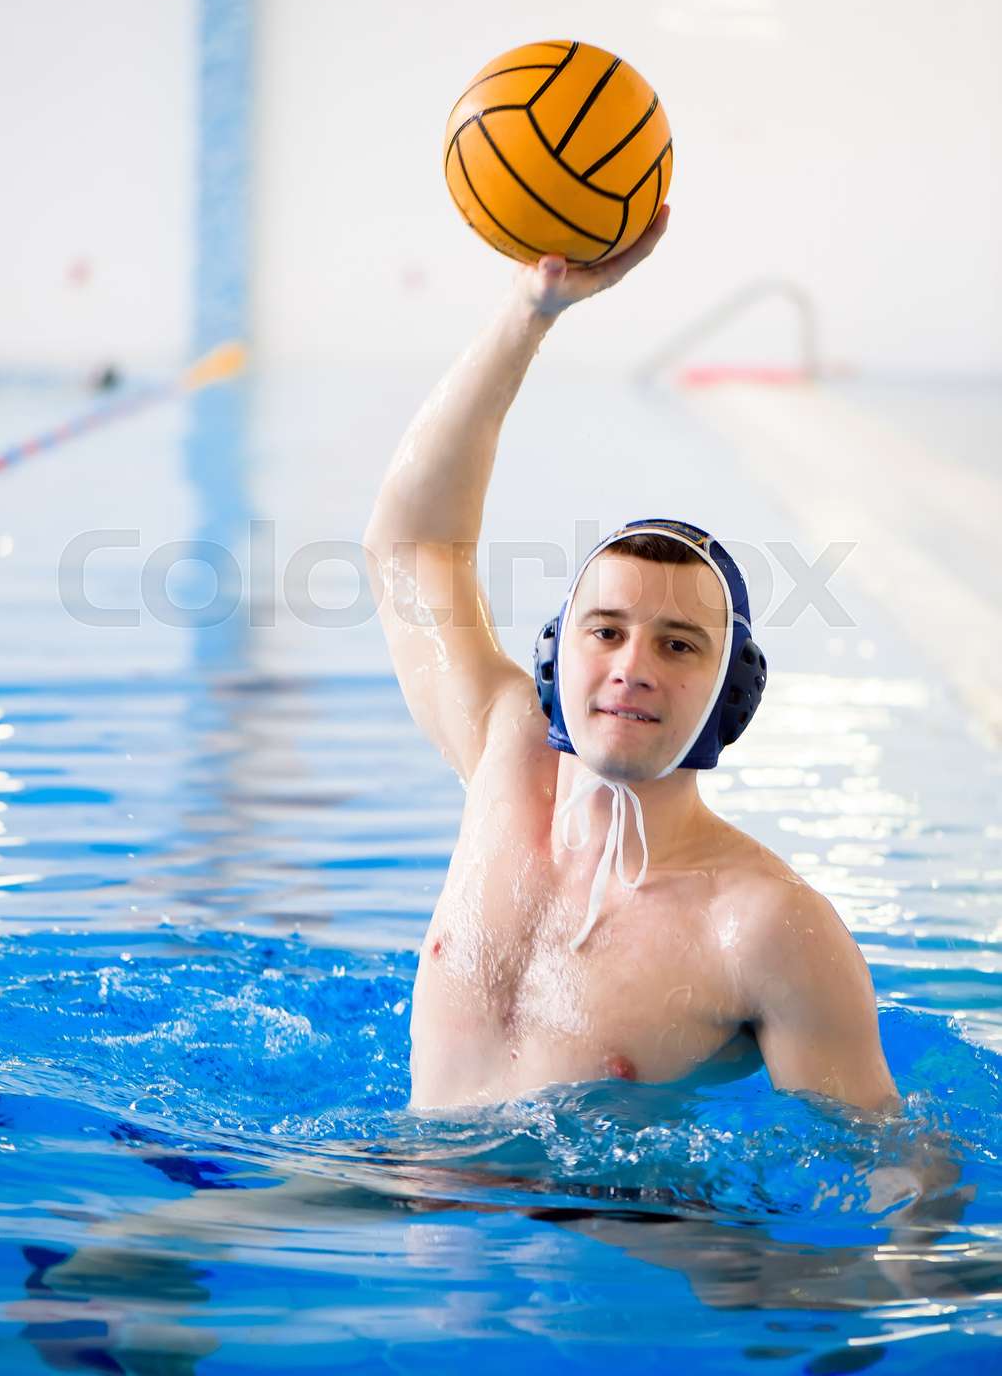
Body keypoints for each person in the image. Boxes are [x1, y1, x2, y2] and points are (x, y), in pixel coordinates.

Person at [362, 204, 901, 1117]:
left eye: (678, 644)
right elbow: (411, 545)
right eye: (605, 631)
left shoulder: (764, 926)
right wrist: (529, 313)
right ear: (554, 657)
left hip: (619, 1205)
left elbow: (886, 1163)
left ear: (731, 696)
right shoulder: (503, 757)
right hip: (412, 1173)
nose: (632, 666)